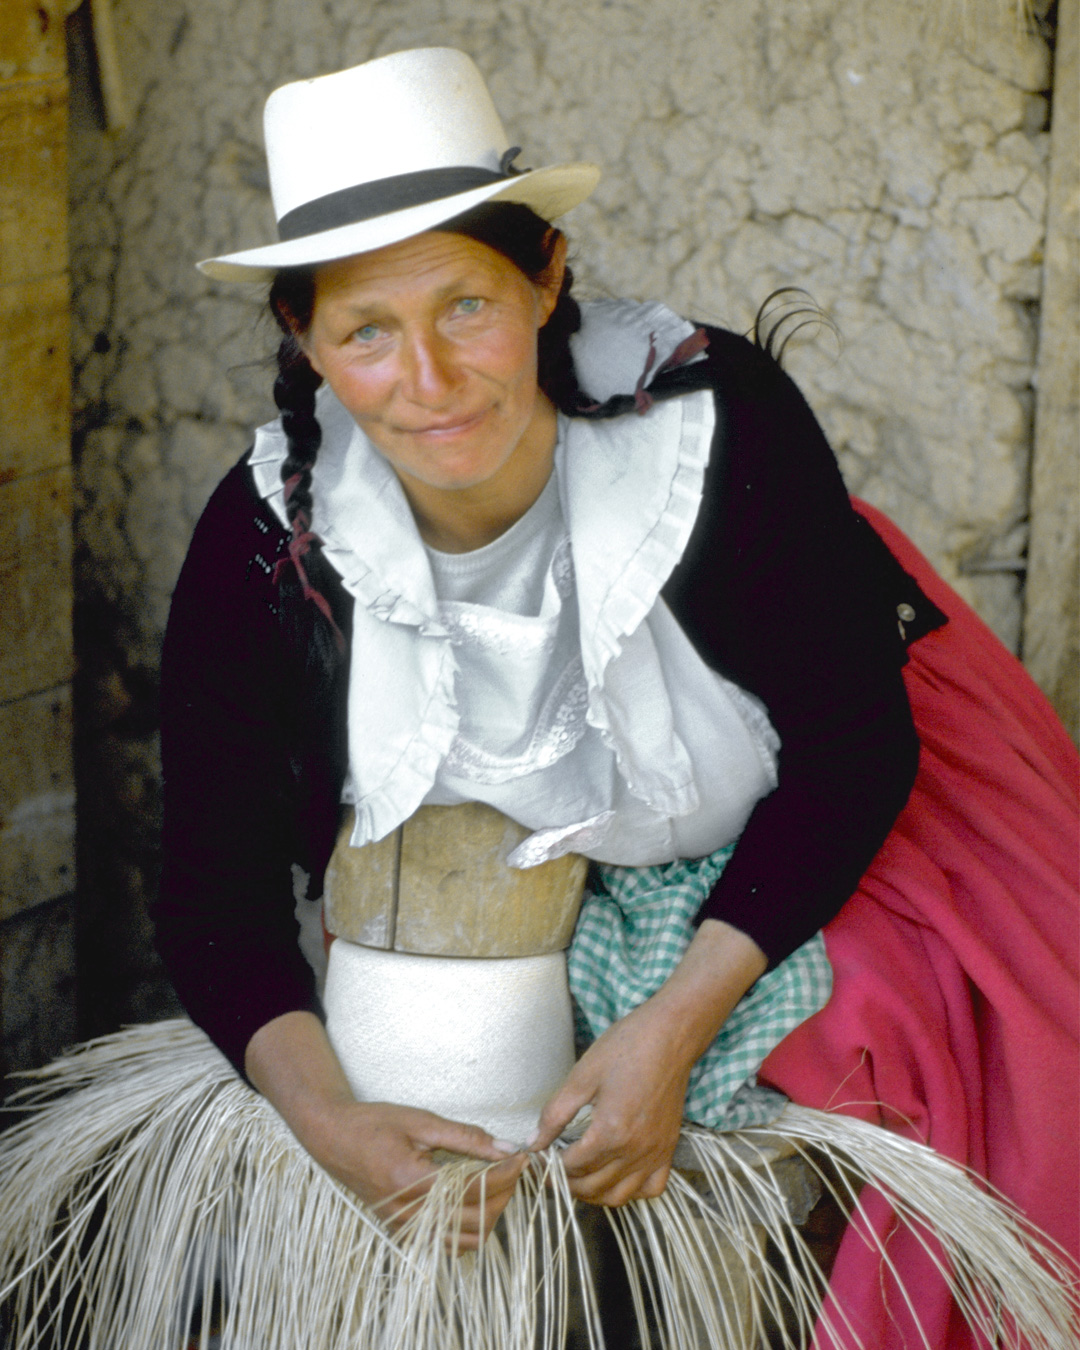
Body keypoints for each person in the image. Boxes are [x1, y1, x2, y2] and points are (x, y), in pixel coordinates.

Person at [0, 45, 1076, 1350]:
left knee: (928, 1038)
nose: (431, 380)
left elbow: (851, 747)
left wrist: (675, 1031)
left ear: (547, 270)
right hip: (510, 853)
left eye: (465, 304)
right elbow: (214, 892)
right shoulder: (267, 542)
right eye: (366, 332)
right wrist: (328, 1120)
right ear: (304, 336)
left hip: (792, 787)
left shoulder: (708, 428)